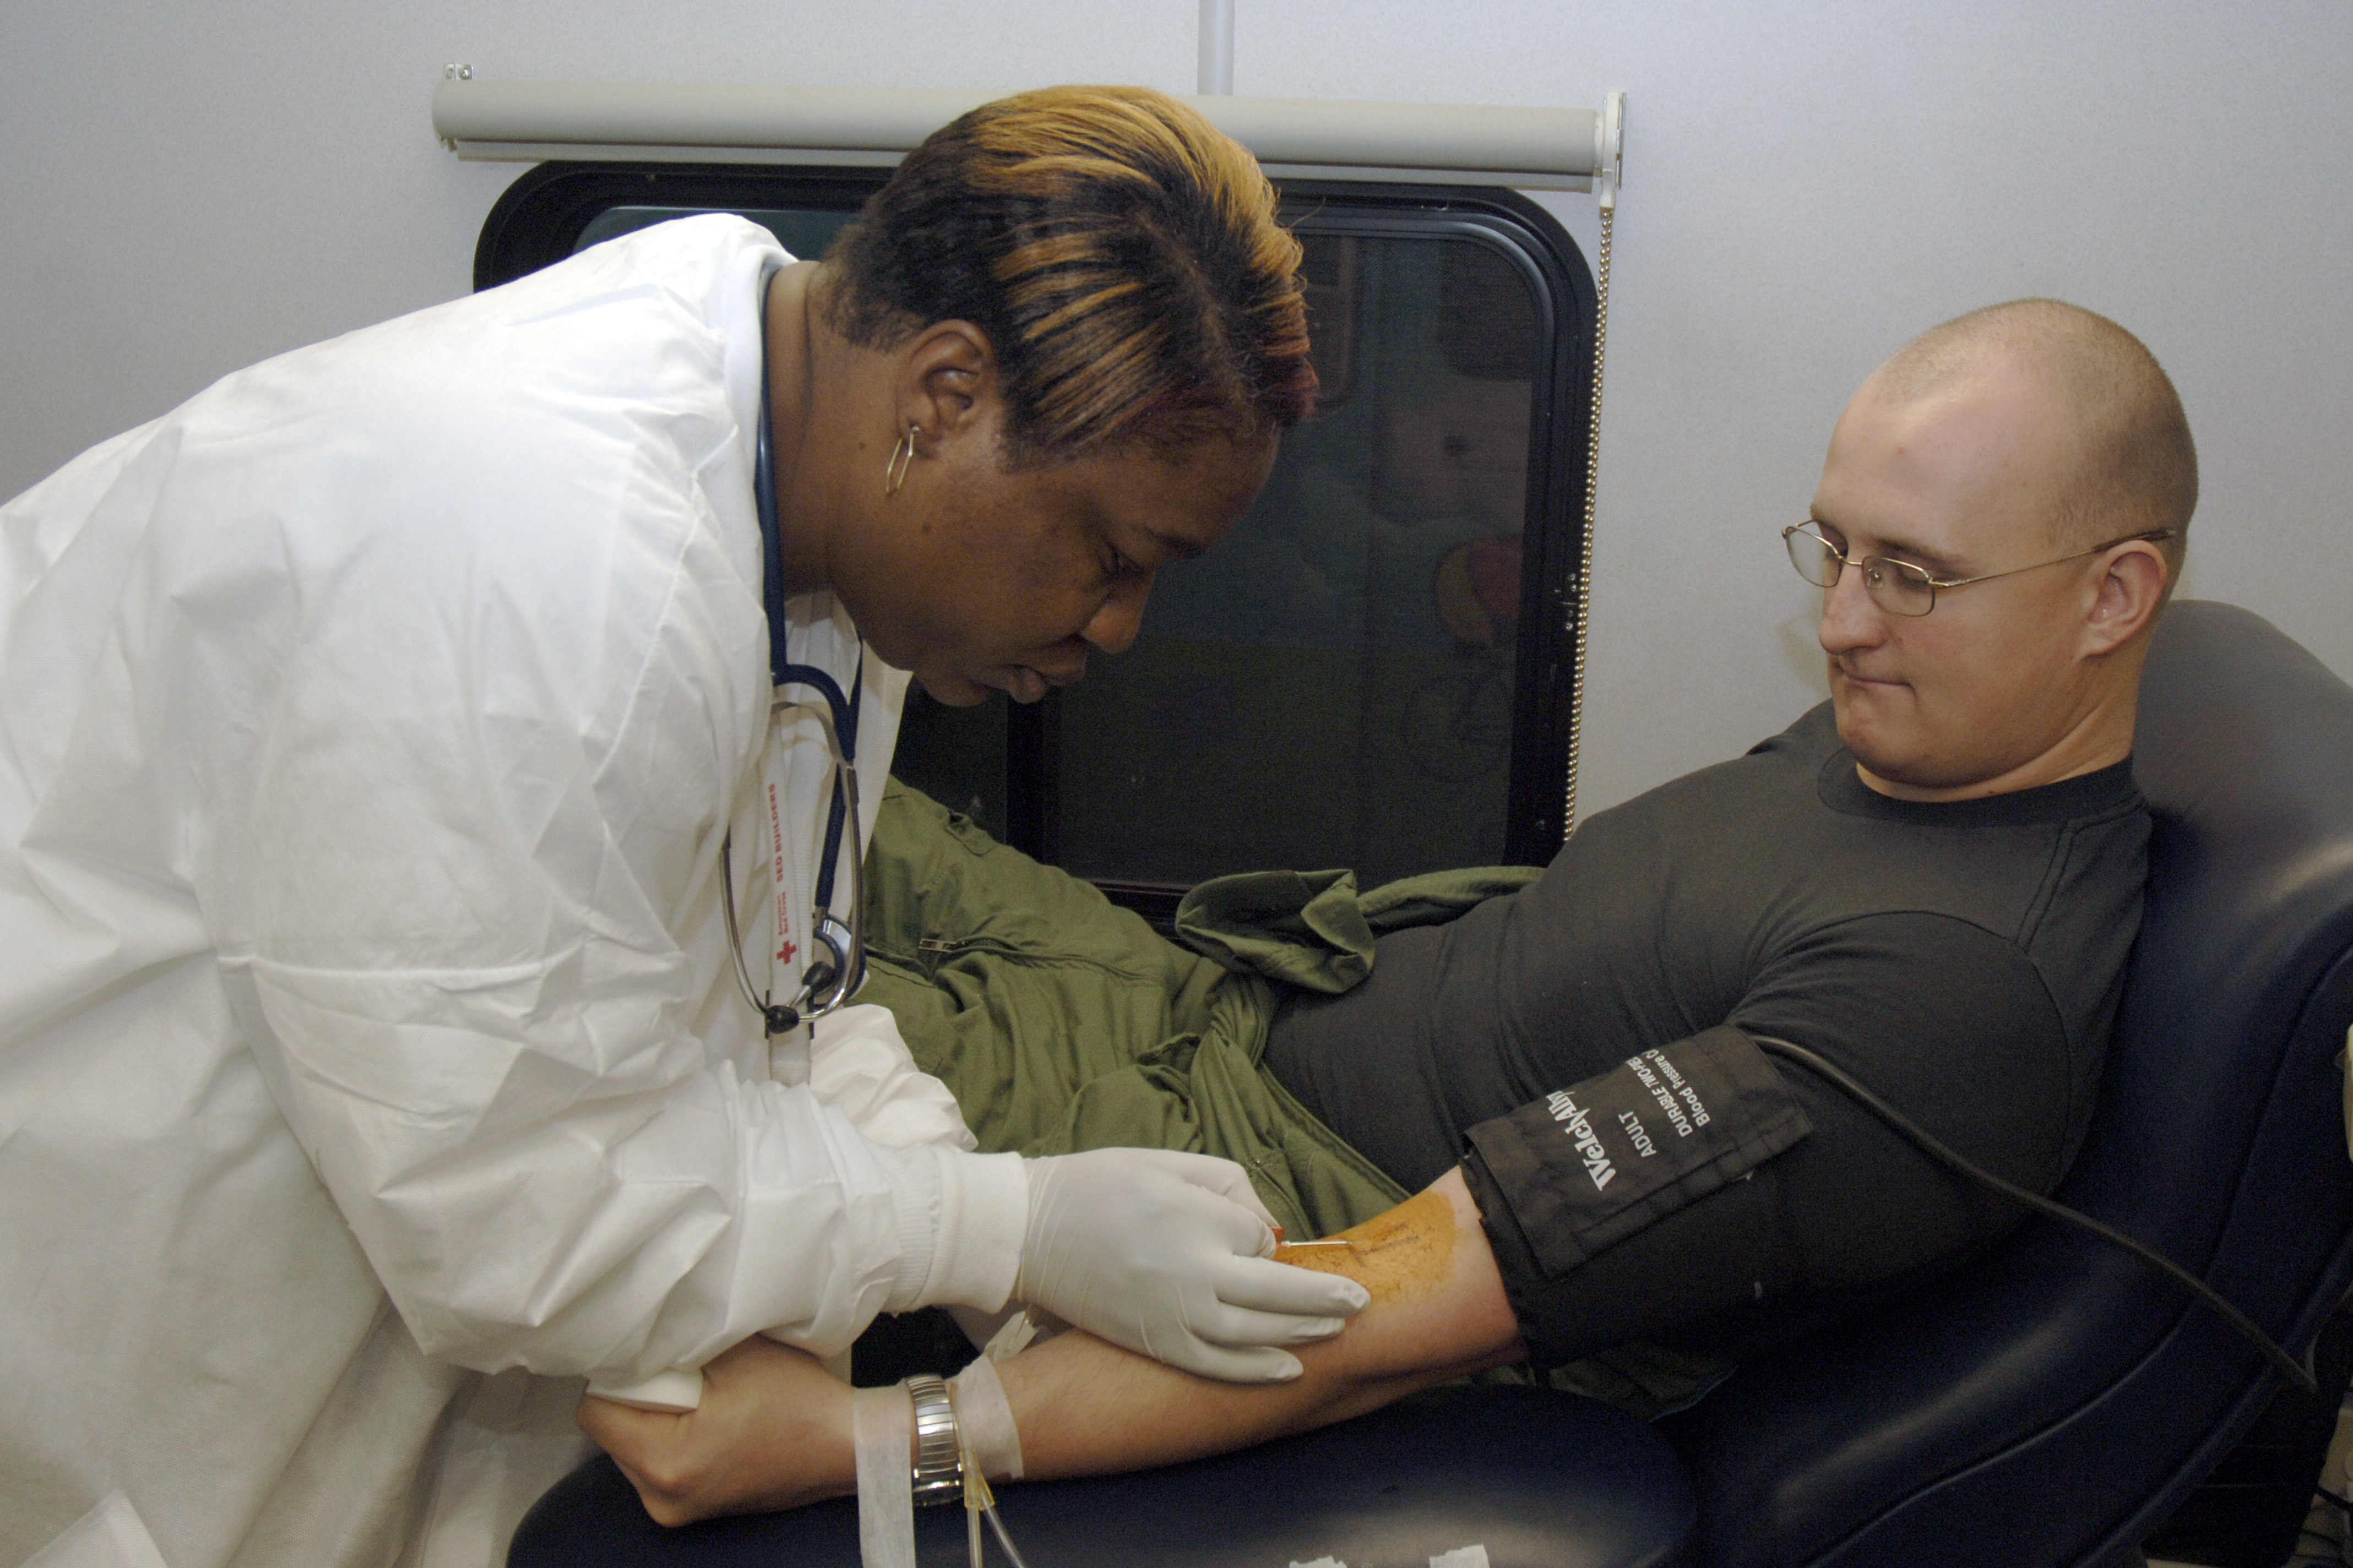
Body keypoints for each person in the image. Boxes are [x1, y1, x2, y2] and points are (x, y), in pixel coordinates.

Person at [0, 86, 1374, 1568]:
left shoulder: (819, 493)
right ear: (949, 393)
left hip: (377, 1233)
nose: (1118, 628)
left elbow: (779, 977)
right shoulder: (529, 566)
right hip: (113, 1260)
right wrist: (1000, 1226)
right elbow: (514, 1209)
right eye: (1113, 554)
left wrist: (1011, 1270)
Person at [570, 297, 2196, 1527]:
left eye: (1911, 574)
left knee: (632, 1001)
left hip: (1228, 1159)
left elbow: (1368, 1314)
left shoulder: (1955, 995)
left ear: (2115, 595)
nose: (1841, 623)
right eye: (1835, 551)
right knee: (759, 766)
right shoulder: (1917, 739)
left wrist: (872, 1447)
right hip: (1198, 997)